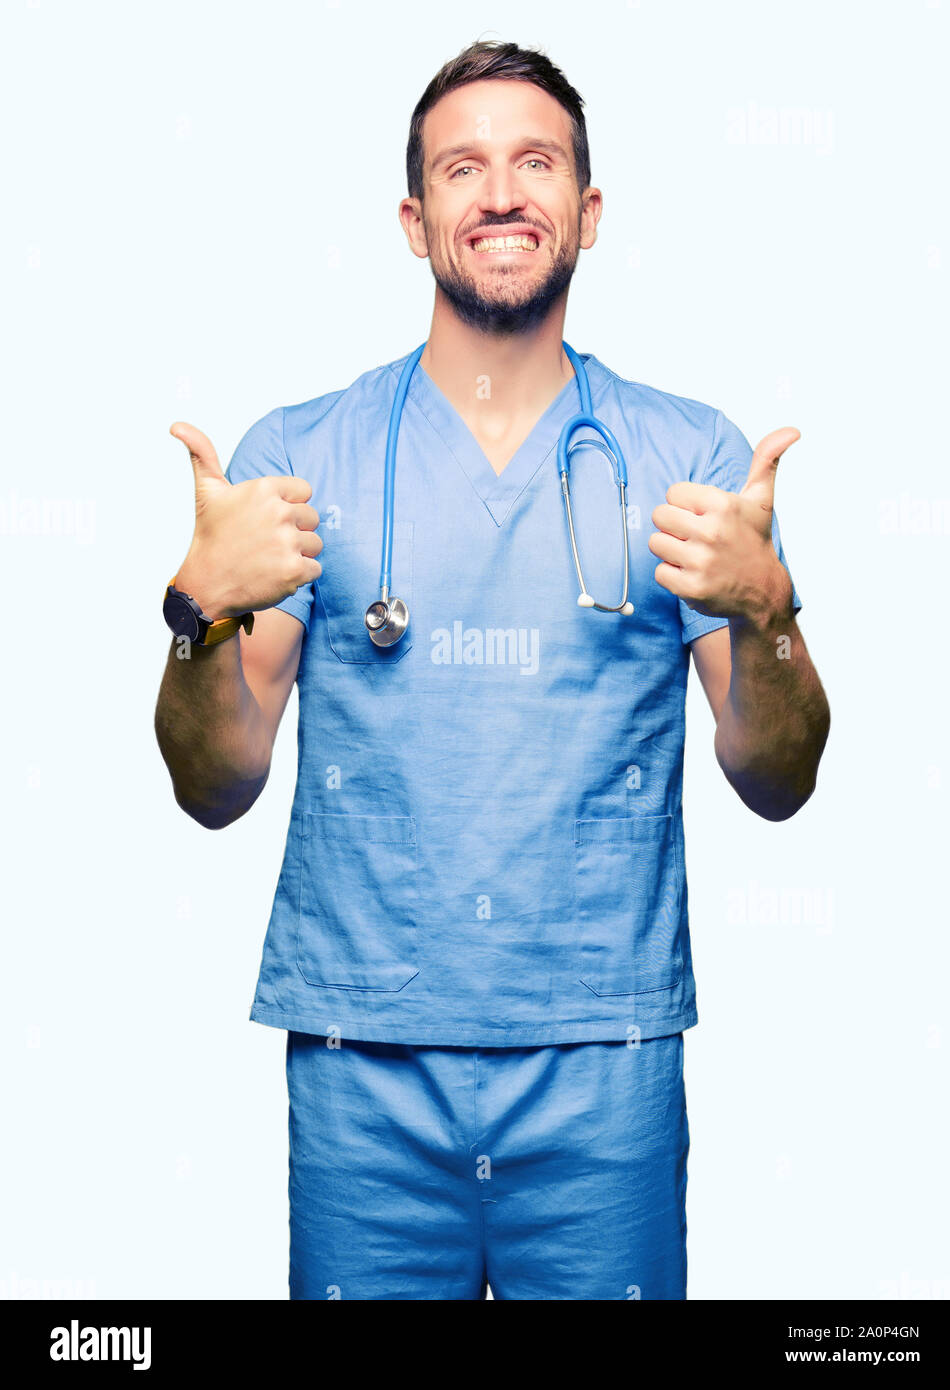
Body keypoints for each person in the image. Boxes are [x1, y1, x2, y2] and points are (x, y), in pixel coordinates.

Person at [155, 40, 830, 1301]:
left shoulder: (689, 458)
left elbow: (779, 779)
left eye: (536, 161)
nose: (502, 193)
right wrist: (198, 609)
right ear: (416, 221)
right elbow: (215, 783)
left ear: (587, 209)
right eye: (463, 168)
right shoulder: (299, 458)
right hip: (366, 1068)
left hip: (602, 1065)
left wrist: (772, 612)